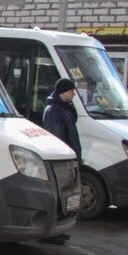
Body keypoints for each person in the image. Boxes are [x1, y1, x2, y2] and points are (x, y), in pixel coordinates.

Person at [41, 77, 81, 244]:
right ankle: (50, 234)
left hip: (67, 160)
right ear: (63, 91)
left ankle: (57, 231)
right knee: (57, 198)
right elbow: (57, 139)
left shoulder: (62, 108)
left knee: (64, 198)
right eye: (71, 91)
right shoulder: (53, 111)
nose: (73, 94)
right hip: (61, 162)